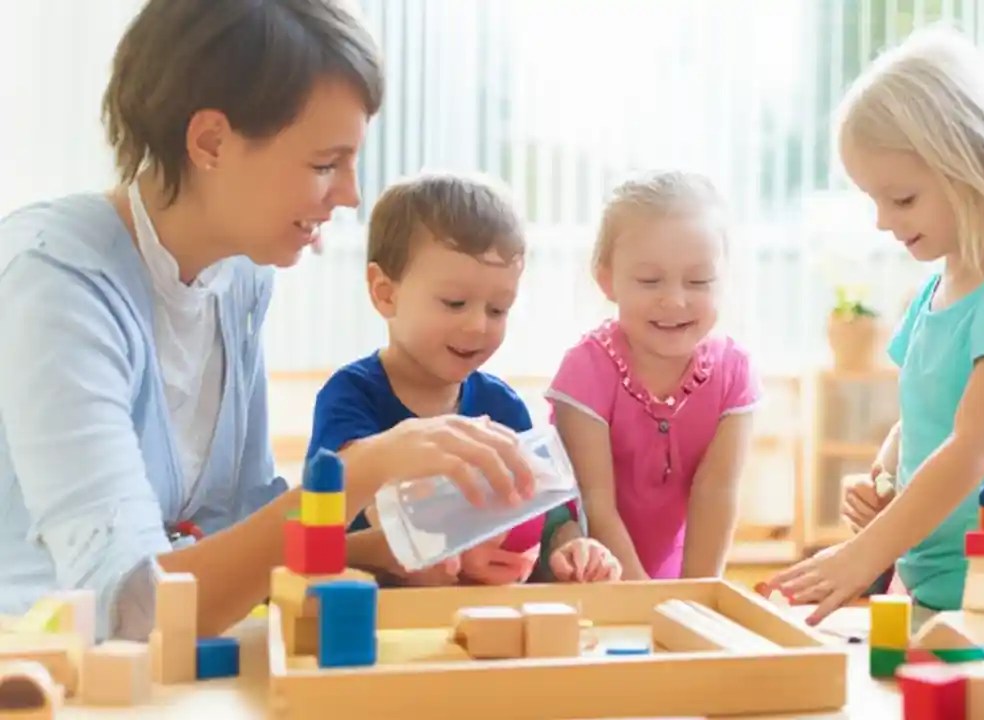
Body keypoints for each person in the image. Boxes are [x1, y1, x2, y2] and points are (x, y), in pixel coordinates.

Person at [0, 0, 533, 643]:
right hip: (41, 665)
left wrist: (387, 548)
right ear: (211, 142)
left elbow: (235, 522)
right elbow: (132, 605)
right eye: (323, 164)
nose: (350, 195)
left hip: (166, 665)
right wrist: (360, 468)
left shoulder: (240, 275)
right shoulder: (55, 280)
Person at [763, 26, 984, 625]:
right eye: (873, 200)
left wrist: (863, 556)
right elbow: (923, 417)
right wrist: (883, 478)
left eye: (902, 199)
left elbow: (973, 447)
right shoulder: (934, 291)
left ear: (975, 168)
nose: (883, 220)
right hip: (933, 571)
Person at [305, 172, 621, 586]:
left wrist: (572, 549)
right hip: (375, 627)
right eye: (454, 303)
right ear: (385, 293)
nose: (477, 326)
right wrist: (425, 545)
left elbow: (548, 511)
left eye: (497, 310)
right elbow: (333, 524)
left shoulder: (501, 406)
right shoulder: (350, 398)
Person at [547, 170, 761, 581]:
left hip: (669, 573)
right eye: (649, 281)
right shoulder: (585, 371)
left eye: (699, 281)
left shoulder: (734, 372)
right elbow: (595, 505)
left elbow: (716, 494)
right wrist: (645, 599)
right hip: (588, 577)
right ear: (607, 280)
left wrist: (697, 599)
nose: (675, 300)